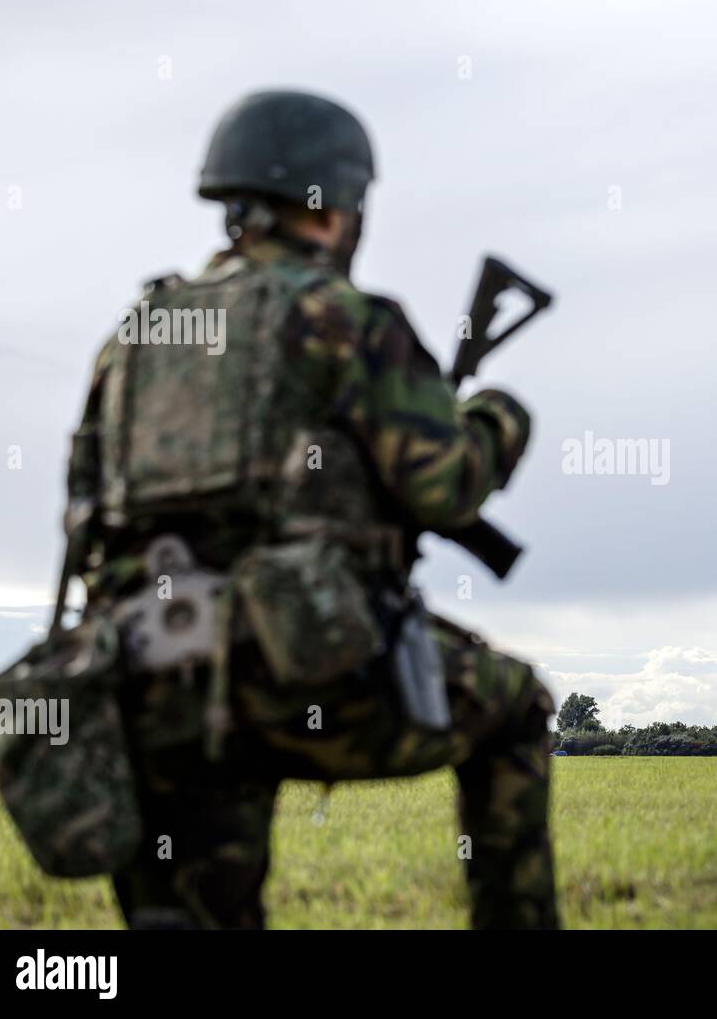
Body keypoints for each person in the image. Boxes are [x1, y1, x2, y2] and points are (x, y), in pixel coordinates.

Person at [65, 90, 557, 929]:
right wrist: (499, 420)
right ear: (340, 207)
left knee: (191, 907)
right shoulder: (347, 320)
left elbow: (84, 518)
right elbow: (444, 486)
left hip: (151, 676)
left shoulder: (135, 335)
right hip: (306, 666)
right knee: (515, 708)